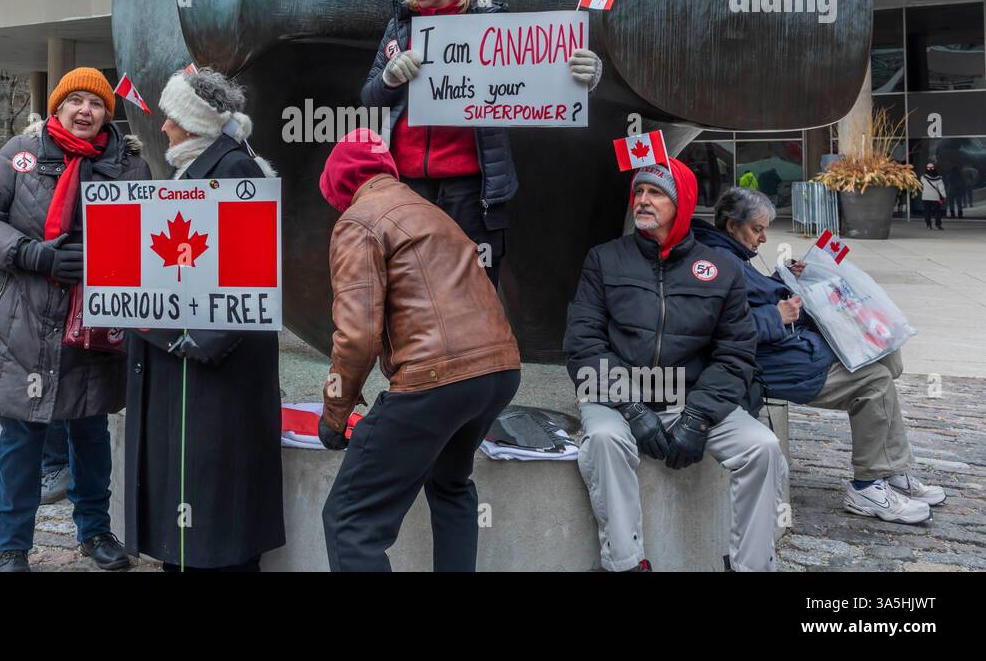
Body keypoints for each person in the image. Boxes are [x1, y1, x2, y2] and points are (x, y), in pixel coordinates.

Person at [0, 67, 150, 573]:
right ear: (59, 107)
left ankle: (95, 531)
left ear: (109, 113)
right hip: (22, 317)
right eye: (76, 101)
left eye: (97, 103)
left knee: (89, 429)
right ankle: (13, 546)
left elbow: (145, 232)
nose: (86, 111)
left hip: (94, 320)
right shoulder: (20, 154)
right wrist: (32, 254)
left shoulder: (128, 164)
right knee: (22, 436)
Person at [565, 157, 787, 572]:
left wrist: (698, 418)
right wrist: (631, 407)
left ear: (681, 202)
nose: (643, 201)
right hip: (617, 399)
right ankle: (627, 563)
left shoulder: (721, 269)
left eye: (655, 193)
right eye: (639, 192)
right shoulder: (605, 259)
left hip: (692, 397)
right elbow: (583, 343)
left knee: (763, 448)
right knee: (605, 441)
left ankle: (751, 566)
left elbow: (736, 352)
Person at [317, 129, 522, 571]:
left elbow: (356, 336)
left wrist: (336, 412)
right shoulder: (433, 213)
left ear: (339, 185)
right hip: (499, 369)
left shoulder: (358, 221)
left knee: (350, 521)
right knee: (451, 485)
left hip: (436, 378)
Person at [360, 0, 602, 287]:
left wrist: (585, 79)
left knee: (472, 292)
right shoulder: (399, 27)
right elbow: (370, 96)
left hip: (472, 190)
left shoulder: (492, 24)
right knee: (411, 289)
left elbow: (536, 84)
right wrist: (390, 80)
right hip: (409, 184)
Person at [692, 187, 945, 524]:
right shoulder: (715, 261)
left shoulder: (731, 255)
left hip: (791, 349)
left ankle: (889, 468)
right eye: (757, 229)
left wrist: (782, 279)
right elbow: (714, 326)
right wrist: (776, 315)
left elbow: (749, 296)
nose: (764, 238)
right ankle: (867, 486)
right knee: (874, 382)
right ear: (730, 225)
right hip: (771, 364)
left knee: (885, 357)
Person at [125, 67, 284, 572]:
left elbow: (252, 273)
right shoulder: (201, 167)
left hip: (211, 364)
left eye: (172, 117)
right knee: (195, 490)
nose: (164, 126)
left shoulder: (232, 170)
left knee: (216, 495)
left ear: (192, 122)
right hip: (191, 355)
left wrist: (190, 337)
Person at [920, 162, 946, 230]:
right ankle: (938, 225)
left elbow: (921, 185)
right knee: (937, 212)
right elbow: (942, 189)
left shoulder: (923, 177)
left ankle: (928, 225)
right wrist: (943, 196)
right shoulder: (939, 178)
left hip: (925, 197)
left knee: (927, 211)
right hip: (936, 197)